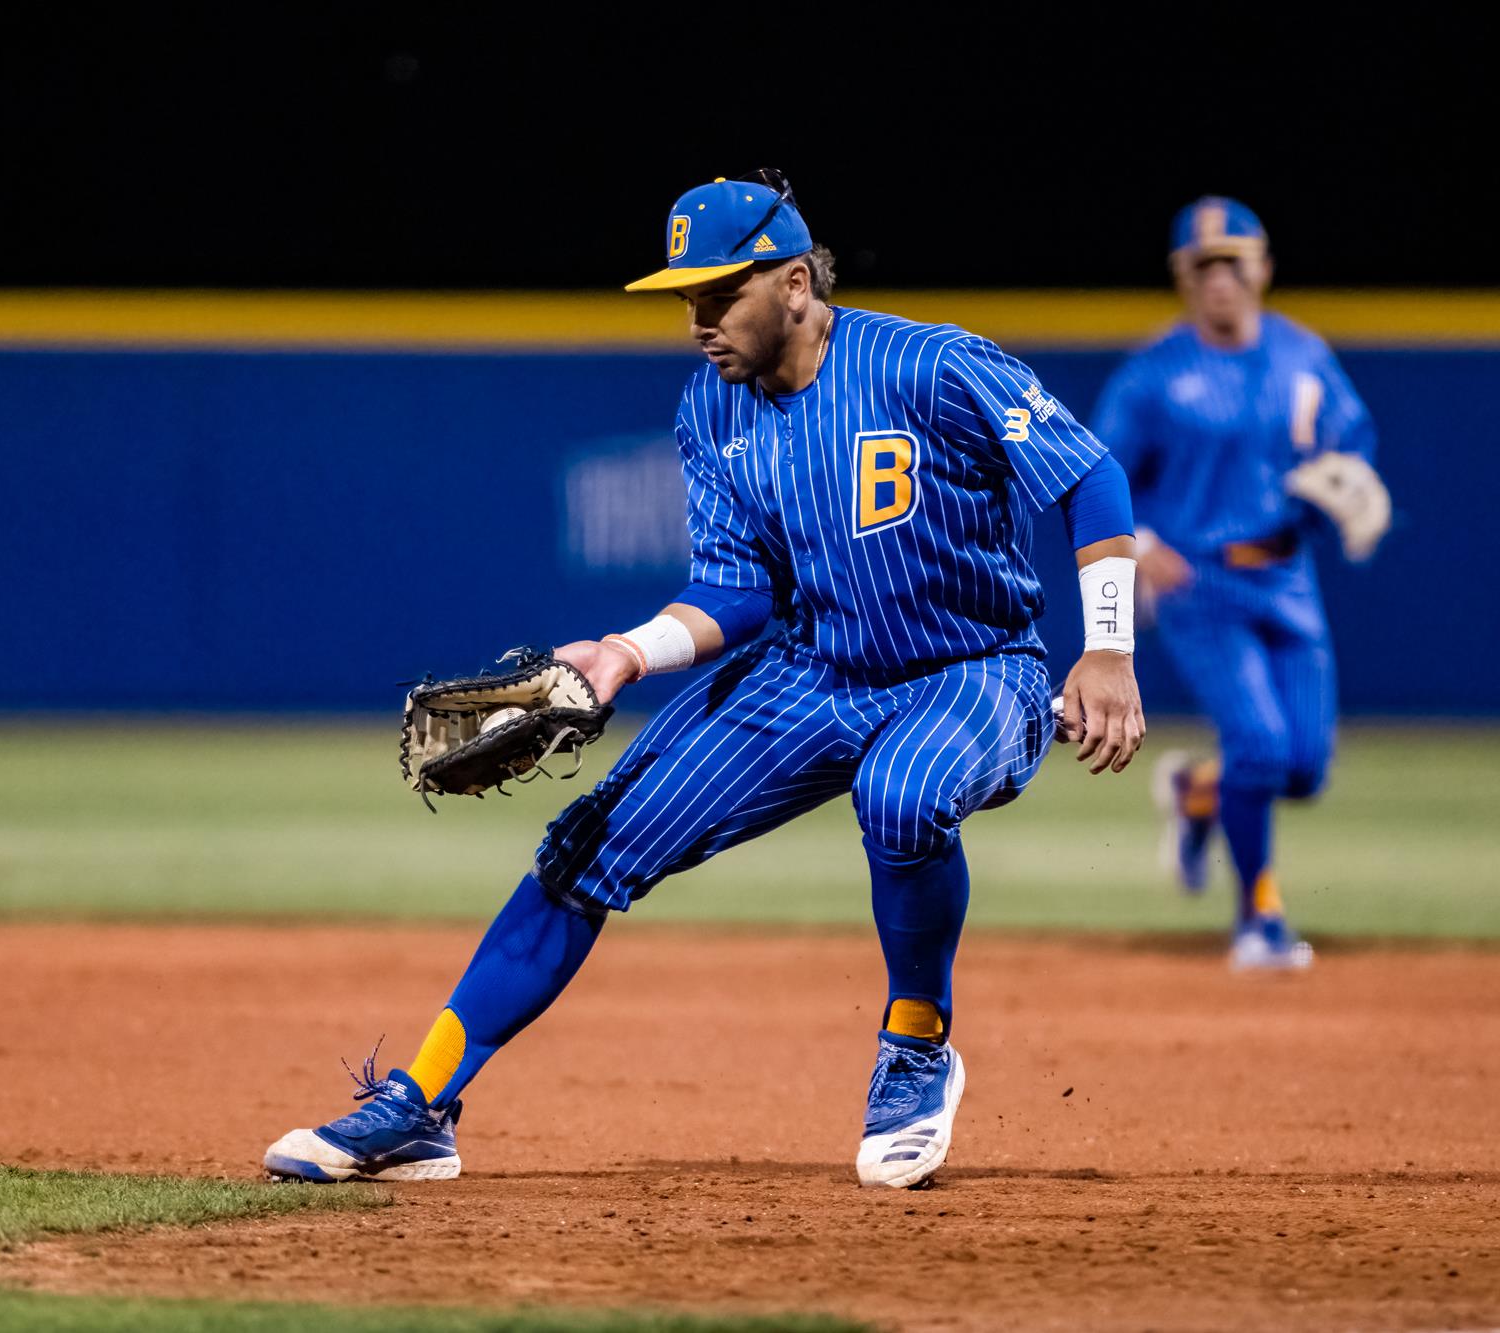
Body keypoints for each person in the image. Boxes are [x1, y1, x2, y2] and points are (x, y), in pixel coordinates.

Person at [265, 171, 1145, 1190]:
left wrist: (1109, 648)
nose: (696, 323)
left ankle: (915, 1043)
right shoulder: (710, 409)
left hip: (970, 668)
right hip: (810, 670)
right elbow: (734, 592)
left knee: (900, 795)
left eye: (717, 294)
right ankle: (420, 1103)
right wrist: (627, 652)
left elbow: (1087, 477)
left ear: (796, 284)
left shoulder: (929, 364)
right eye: (684, 299)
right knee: (585, 845)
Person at [1091, 197, 1381, 972]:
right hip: (1201, 580)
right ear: (1184, 278)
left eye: (1234, 261)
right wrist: (1141, 541)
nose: (1221, 279)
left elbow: (1352, 444)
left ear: (1263, 267)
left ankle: (1198, 792)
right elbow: (1098, 470)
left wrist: (1354, 485)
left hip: (1287, 574)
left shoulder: (1303, 356)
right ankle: (1260, 918)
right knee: (1258, 741)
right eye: (1204, 265)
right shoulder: (1155, 373)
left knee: (1303, 766)